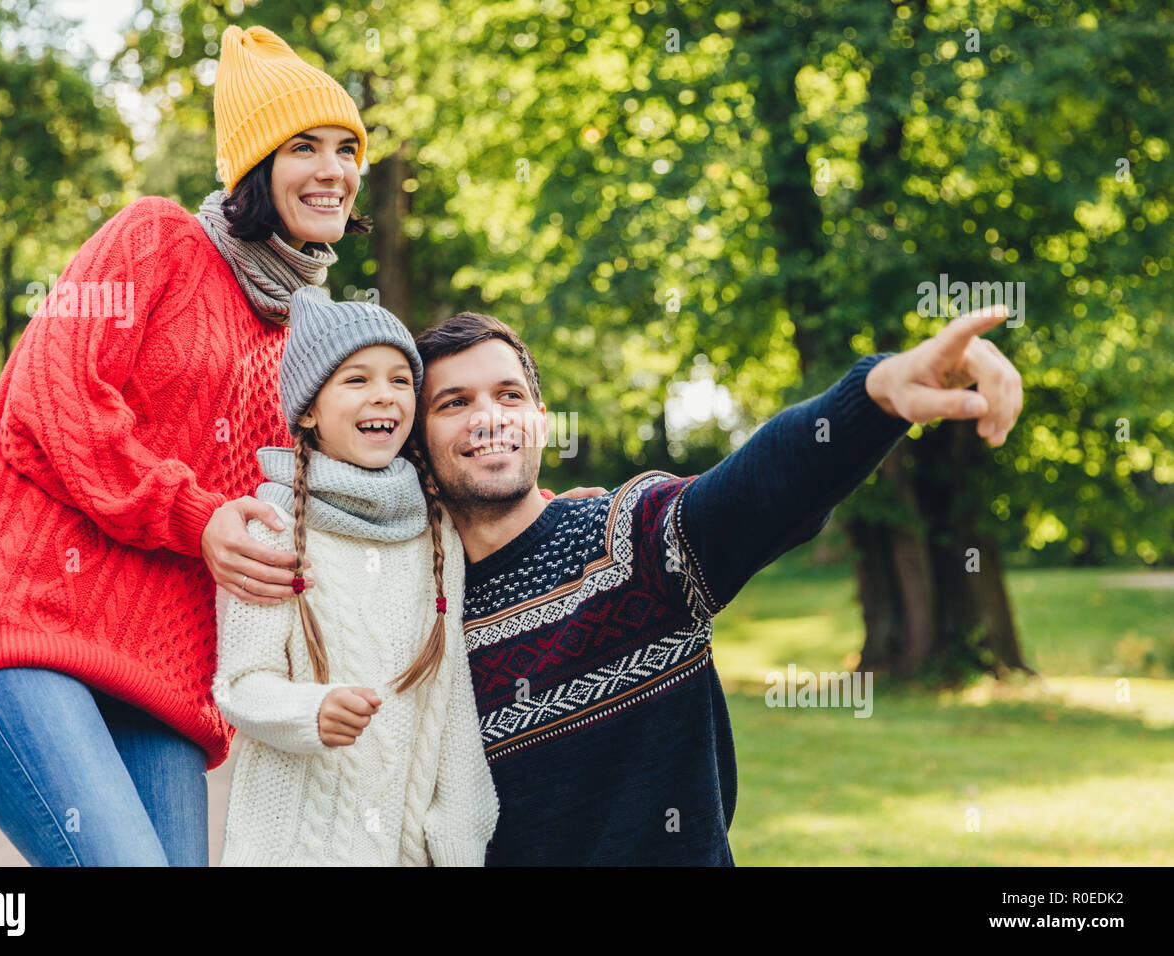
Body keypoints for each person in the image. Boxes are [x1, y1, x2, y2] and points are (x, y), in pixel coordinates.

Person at [0, 24, 371, 865]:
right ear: (255, 163)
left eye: (347, 148)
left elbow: (362, 482)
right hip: (9, 617)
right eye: (306, 147)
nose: (335, 170)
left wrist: (535, 510)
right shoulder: (155, 241)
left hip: (159, 670)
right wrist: (197, 516)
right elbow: (55, 404)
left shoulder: (304, 339)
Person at [408, 305, 1023, 865]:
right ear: (421, 449)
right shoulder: (413, 618)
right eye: (454, 403)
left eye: (508, 394)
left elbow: (758, 490)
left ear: (540, 424)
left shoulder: (632, 541)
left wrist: (874, 396)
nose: (488, 417)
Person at [212, 287, 498, 866]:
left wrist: (461, 841)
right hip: (292, 849)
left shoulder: (437, 530)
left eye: (400, 381)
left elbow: (454, 708)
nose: (384, 397)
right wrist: (309, 711)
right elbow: (240, 684)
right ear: (310, 409)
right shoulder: (272, 528)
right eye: (356, 379)